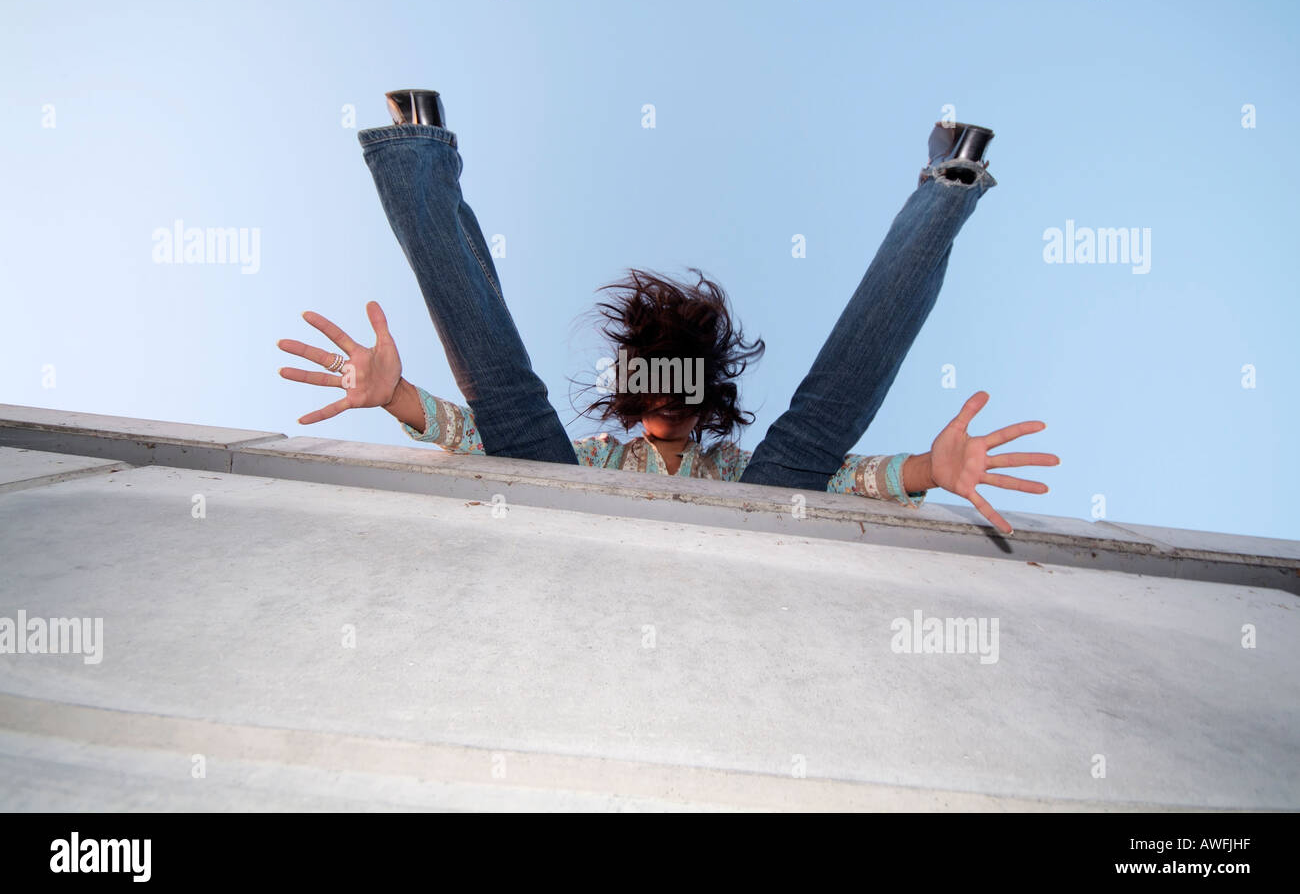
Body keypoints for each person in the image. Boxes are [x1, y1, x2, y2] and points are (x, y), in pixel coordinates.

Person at [277, 90, 1058, 535]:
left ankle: (945, 186)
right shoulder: (600, 459)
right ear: (636, 394)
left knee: (813, 440)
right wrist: (396, 396)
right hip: (580, 513)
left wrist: (932, 470)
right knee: (516, 413)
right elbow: (479, 437)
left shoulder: (736, 467)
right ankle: (419, 159)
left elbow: (851, 477)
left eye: (685, 390)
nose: (670, 403)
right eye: (656, 387)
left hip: (743, 521)